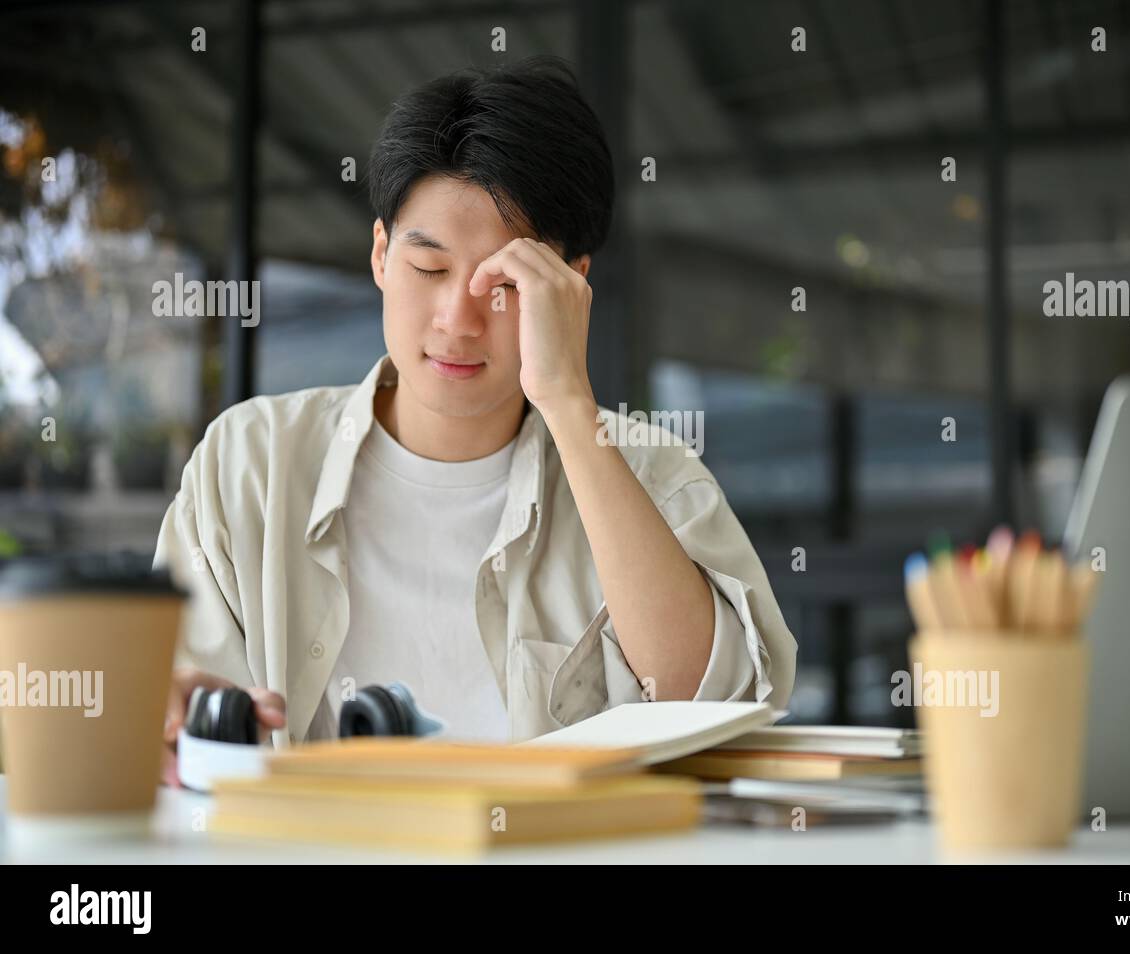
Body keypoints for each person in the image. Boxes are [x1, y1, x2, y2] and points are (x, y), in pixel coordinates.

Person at [154, 55, 796, 785]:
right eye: (428, 270)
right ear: (379, 256)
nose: (458, 319)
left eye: (505, 284)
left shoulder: (651, 475)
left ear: (571, 285)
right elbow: (176, 717)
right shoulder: (250, 465)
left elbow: (714, 704)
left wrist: (568, 403)